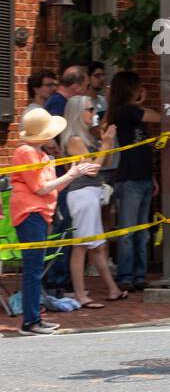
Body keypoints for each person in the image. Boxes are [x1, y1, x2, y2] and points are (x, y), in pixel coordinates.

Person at [10, 109, 101, 334]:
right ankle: (30, 322)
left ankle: (35, 318)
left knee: (36, 268)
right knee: (33, 269)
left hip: (40, 213)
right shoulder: (26, 152)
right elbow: (41, 188)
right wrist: (72, 175)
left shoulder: (41, 155)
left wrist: (73, 173)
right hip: (30, 213)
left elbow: (53, 187)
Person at [58, 95, 126, 308]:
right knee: (81, 245)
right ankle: (80, 294)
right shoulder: (75, 140)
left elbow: (104, 162)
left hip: (91, 193)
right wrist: (106, 144)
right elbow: (92, 169)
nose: (93, 114)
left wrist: (106, 142)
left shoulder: (85, 136)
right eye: (89, 110)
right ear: (78, 112)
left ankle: (112, 289)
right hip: (82, 194)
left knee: (97, 244)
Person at [104, 71, 160, 292]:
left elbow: (145, 144)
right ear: (131, 89)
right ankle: (126, 274)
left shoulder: (131, 112)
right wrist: (141, 102)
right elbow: (156, 116)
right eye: (138, 87)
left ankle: (139, 274)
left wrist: (153, 176)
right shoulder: (125, 111)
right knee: (128, 230)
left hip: (144, 176)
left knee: (142, 231)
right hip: (129, 178)